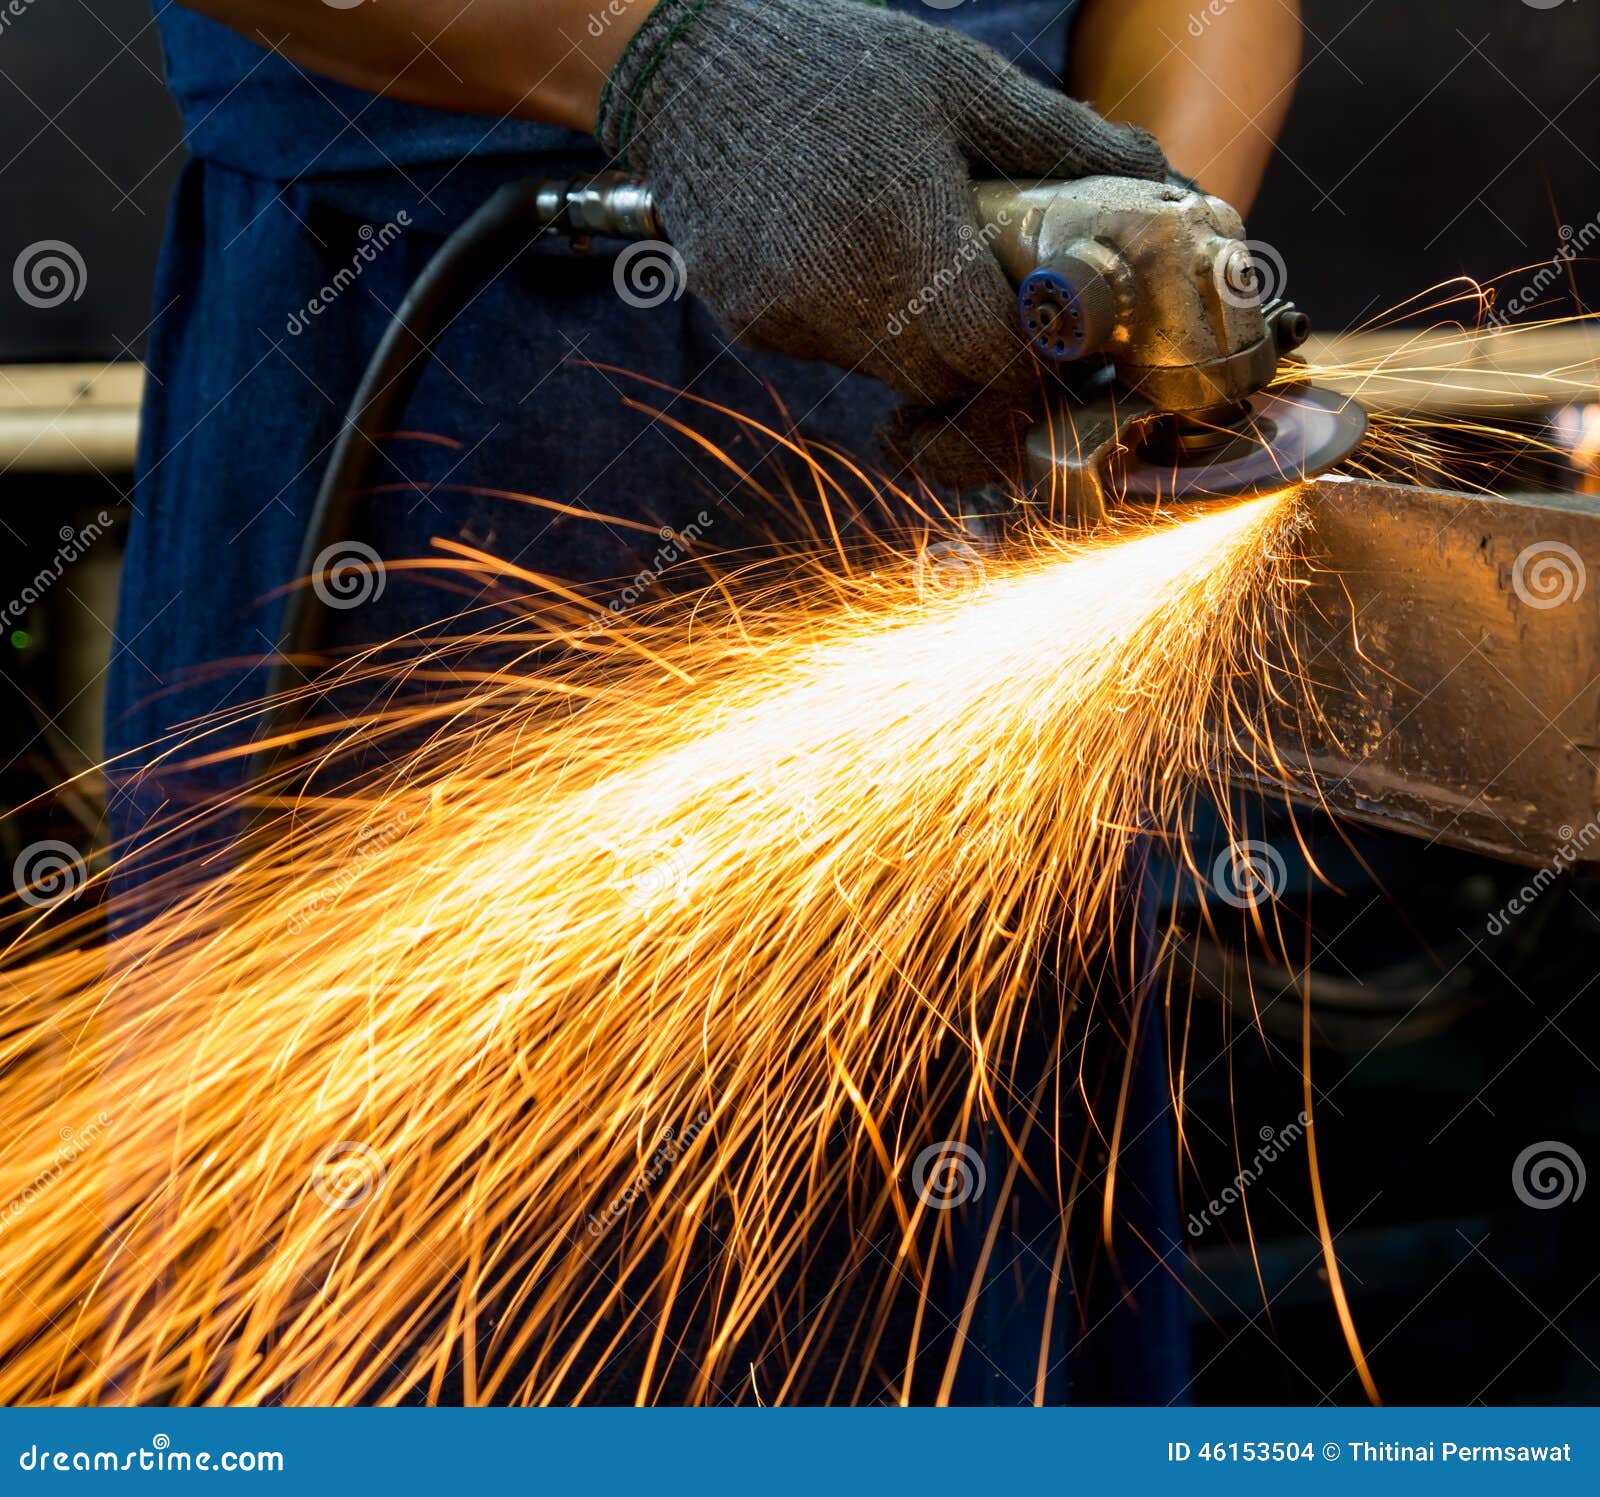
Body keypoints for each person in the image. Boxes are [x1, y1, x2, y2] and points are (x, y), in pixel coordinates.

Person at [111, 0, 1302, 1400]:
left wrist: (1132, 244)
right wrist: (646, 56)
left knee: (964, 1303)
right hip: (435, 396)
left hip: (952, 351)